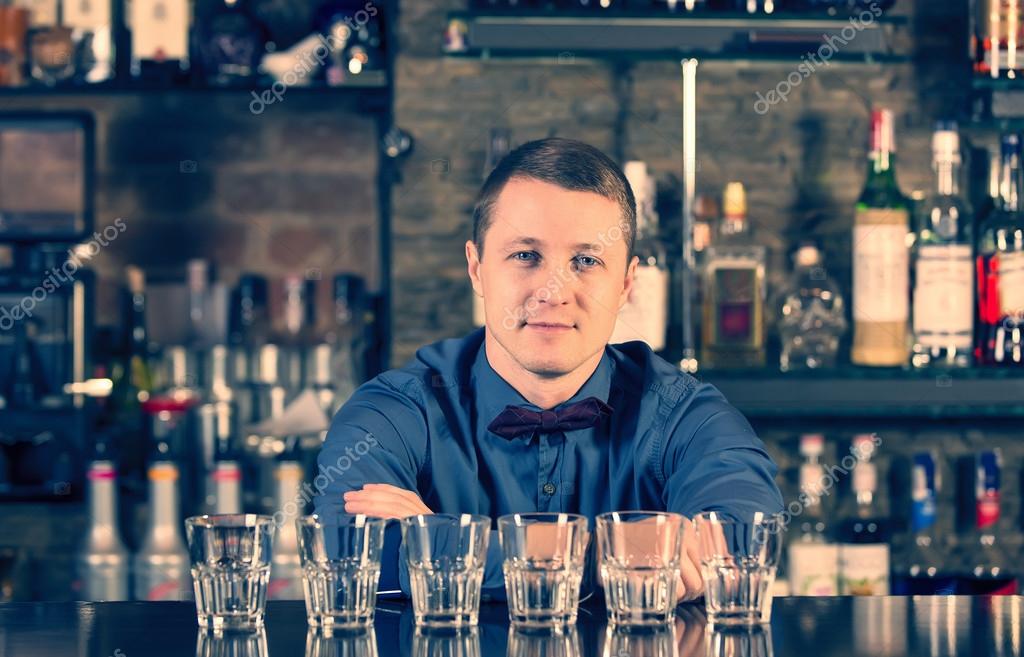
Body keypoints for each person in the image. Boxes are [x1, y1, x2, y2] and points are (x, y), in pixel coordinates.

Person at [314, 137, 783, 602]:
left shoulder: (686, 416)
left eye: (585, 260)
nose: (554, 291)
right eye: (525, 256)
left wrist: (436, 541)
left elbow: (740, 542)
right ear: (477, 268)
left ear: (625, 284)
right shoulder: (395, 410)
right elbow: (354, 555)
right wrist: (618, 555)